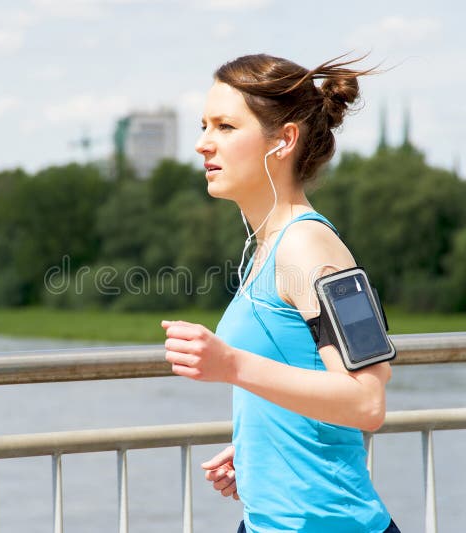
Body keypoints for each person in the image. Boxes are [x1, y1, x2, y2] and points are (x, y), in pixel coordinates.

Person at [161, 53, 400, 533]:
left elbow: (367, 400)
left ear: (284, 140)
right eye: (204, 125)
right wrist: (264, 442)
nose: (202, 144)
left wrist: (231, 365)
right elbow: (300, 367)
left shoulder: (308, 245)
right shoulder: (267, 246)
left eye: (225, 127)